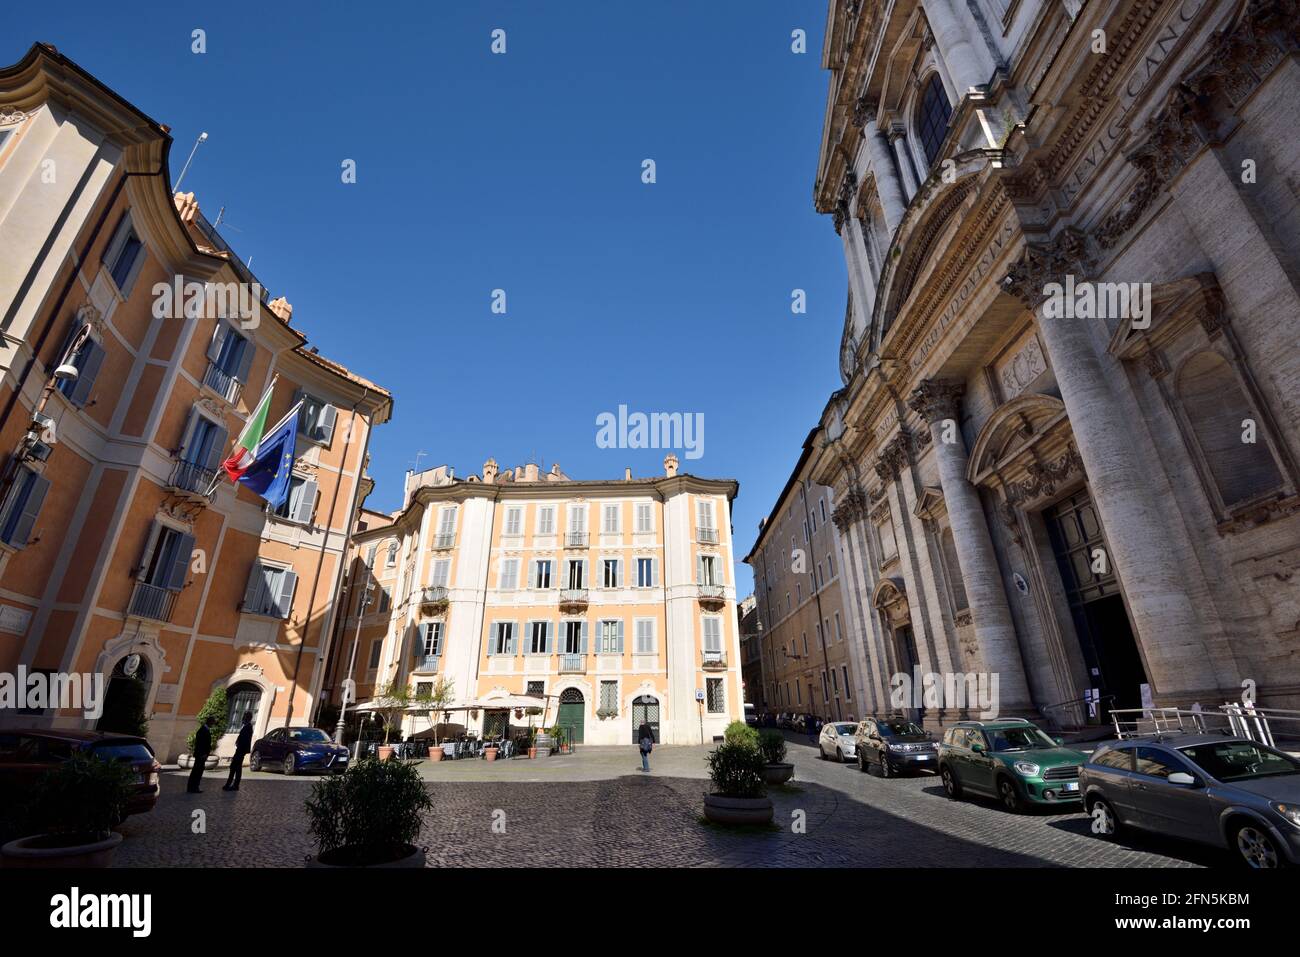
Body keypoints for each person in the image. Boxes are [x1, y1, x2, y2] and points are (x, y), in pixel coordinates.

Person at [223, 712, 253, 791]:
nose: (243, 718)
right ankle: (231, 784)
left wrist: (239, 745)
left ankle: (233, 785)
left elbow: (245, 740)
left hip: (241, 750)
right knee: (235, 767)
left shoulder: (248, 727)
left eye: (245, 717)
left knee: (235, 767)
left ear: (248, 718)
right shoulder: (246, 726)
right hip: (239, 750)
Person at [187, 715, 216, 794]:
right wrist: (203, 754)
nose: (213, 724)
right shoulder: (203, 730)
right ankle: (193, 787)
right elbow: (200, 744)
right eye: (213, 722)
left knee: (197, 771)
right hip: (201, 755)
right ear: (210, 722)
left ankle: (193, 787)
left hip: (202, 754)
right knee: (197, 771)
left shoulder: (205, 730)